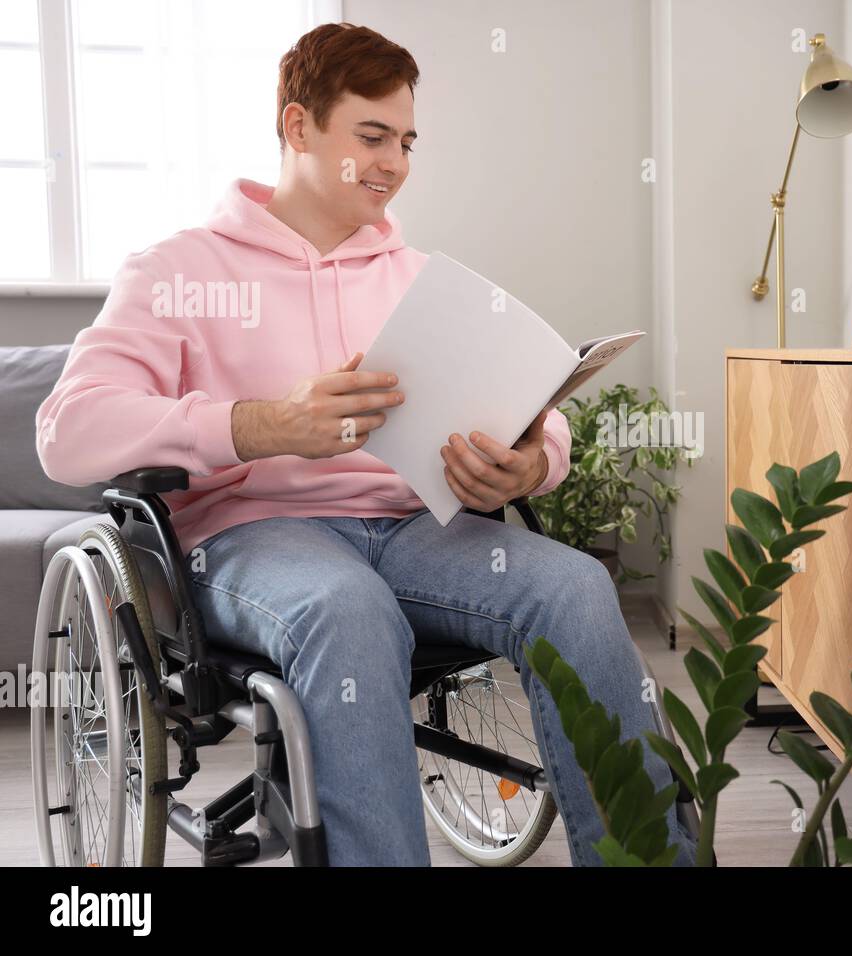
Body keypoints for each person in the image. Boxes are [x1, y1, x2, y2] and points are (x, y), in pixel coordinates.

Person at [35, 21, 694, 867]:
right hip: (252, 539)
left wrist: (532, 459)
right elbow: (67, 431)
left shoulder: (417, 277)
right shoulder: (177, 271)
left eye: (407, 142)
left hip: (416, 531)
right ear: (298, 126)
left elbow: (533, 403)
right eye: (372, 137)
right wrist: (257, 424)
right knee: (347, 609)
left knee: (572, 587)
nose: (393, 163)